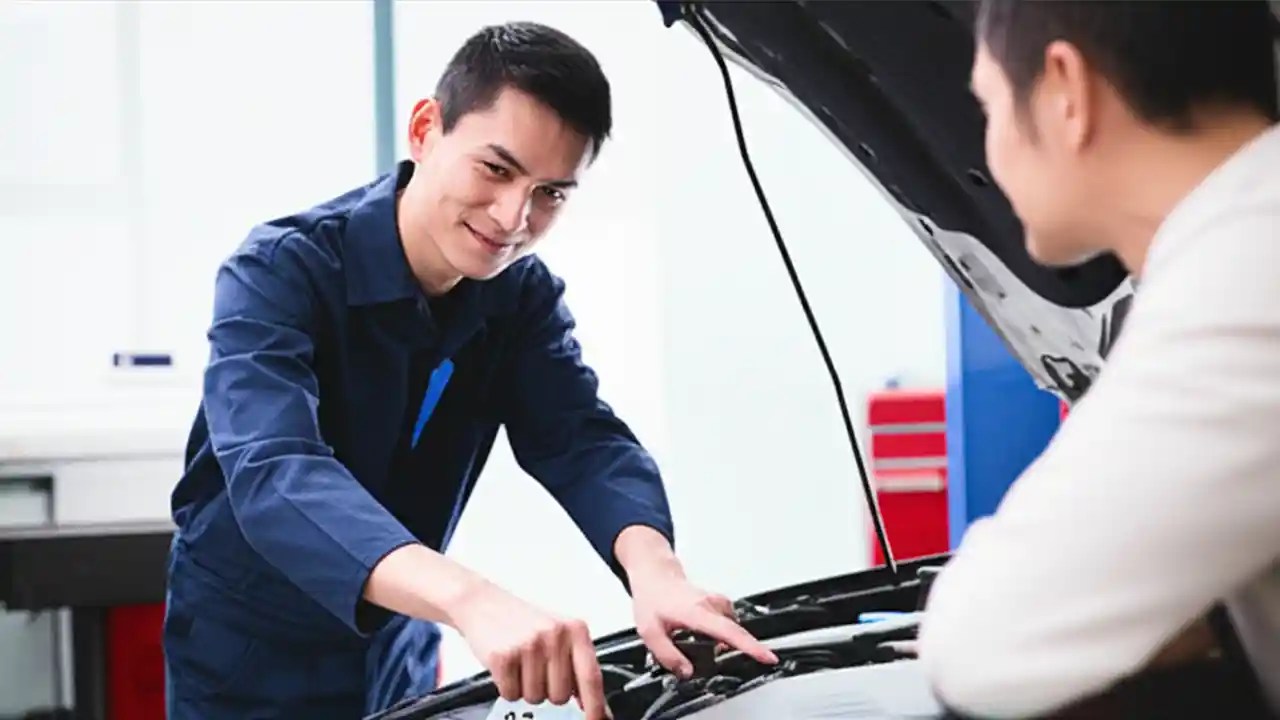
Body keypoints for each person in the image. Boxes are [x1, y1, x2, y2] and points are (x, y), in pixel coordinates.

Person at [162, 21, 777, 720]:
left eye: (552, 193)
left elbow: (579, 439)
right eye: (497, 169)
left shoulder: (519, 294)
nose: (515, 216)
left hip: (400, 642)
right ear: (426, 129)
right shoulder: (279, 270)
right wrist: (475, 600)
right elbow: (274, 470)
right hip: (250, 658)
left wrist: (656, 572)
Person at [918, 1, 1280, 717]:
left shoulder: (1248, 273)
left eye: (986, 104)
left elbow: (985, 644)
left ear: (1064, 92)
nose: (986, 147)